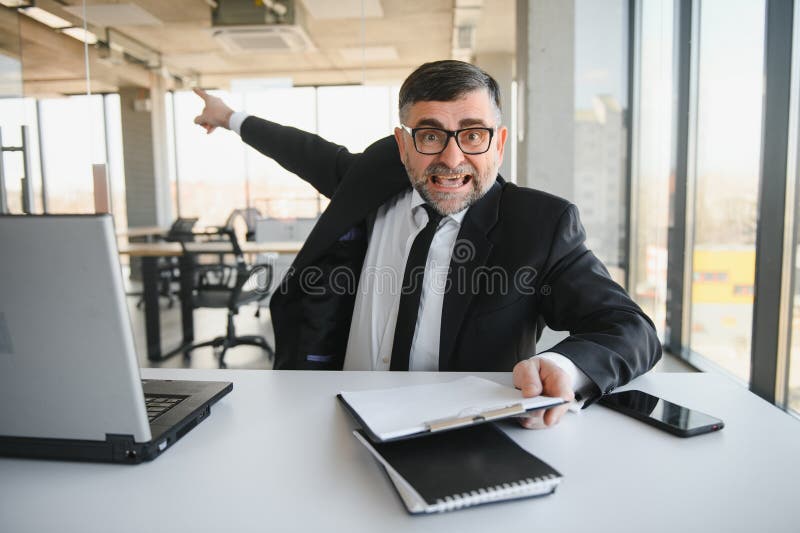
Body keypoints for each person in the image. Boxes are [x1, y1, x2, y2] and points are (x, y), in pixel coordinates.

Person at [193, 60, 662, 429]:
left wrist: (565, 365)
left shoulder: (538, 224)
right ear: (403, 145)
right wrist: (230, 117)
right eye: (431, 135)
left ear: (498, 143)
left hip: (461, 436)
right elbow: (305, 151)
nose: (452, 158)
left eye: (473, 134)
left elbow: (629, 328)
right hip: (330, 418)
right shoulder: (372, 179)